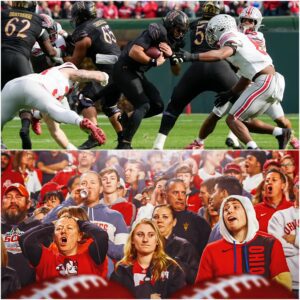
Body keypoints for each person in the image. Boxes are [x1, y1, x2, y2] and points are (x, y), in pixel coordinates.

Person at [179, 14, 292, 150]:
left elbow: (221, 54)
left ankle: (254, 149)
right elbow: (247, 76)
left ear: (221, 28)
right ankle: (280, 133)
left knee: (232, 119)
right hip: (267, 80)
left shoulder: (229, 36)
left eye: (212, 30)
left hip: (264, 81)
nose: (211, 34)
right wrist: (230, 93)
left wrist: (192, 56)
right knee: (242, 121)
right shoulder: (240, 37)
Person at [152, 1, 238, 150]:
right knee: (246, 100)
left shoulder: (193, 25)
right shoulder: (226, 23)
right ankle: (234, 136)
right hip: (220, 67)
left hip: (196, 67)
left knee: (174, 107)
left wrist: (173, 55)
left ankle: (158, 144)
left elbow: (178, 42)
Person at [224, 6, 299, 150]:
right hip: (248, 82)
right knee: (239, 117)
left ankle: (293, 138)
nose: (246, 23)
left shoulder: (257, 37)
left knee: (281, 120)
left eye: (250, 21)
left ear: (257, 23)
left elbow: (245, 43)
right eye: (244, 20)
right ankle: (243, 140)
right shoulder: (237, 35)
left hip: (260, 84)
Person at [113, 9, 189, 149]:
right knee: (143, 104)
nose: (180, 34)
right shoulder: (158, 31)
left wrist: (172, 56)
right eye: (179, 29)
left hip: (137, 72)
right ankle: (125, 143)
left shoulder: (175, 42)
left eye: (183, 31)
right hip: (125, 68)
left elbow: (176, 71)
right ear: (170, 25)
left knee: (158, 105)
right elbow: (134, 51)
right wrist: (154, 62)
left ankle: (126, 118)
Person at [196, 195, 292, 292]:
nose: (229, 211)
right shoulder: (211, 250)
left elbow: (283, 288)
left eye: (236, 207)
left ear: (248, 212)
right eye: (225, 209)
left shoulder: (270, 244)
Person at [1, 62, 108, 148]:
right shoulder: (67, 72)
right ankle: (80, 121)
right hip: (33, 87)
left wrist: (37, 117)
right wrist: (103, 76)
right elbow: (83, 74)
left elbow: (54, 127)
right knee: (57, 110)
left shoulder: (49, 78)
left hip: (12, 86)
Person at [1, 1, 61, 149]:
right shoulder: (37, 20)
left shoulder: (3, 15)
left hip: (2, 57)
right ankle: (25, 127)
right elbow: (50, 51)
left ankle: (0, 141)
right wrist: (58, 56)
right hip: (21, 60)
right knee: (26, 98)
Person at [64, 1, 123, 150]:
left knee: (85, 98)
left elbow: (74, 64)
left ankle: (94, 136)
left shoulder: (84, 33)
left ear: (81, 16)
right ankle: (124, 141)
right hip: (121, 69)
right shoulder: (100, 22)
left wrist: (59, 58)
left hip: (109, 72)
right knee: (110, 106)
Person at [19, 213, 108, 281]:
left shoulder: (92, 258)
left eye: (69, 228)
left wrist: (79, 222)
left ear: (79, 236)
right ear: (54, 237)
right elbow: (25, 239)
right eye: (59, 229)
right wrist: (52, 225)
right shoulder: (45, 259)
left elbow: (101, 235)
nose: (63, 231)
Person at [110, 219, 186, 298]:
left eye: (151, 235)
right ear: (132, 240)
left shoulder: (172, 268)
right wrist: (143, 294)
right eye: (140, 234)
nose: (145, 240)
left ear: (157, 240)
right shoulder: (121, 270)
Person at [80, 171, 129, 276]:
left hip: (105, 274)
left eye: (92, 182)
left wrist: (100, 242)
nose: (88, 186)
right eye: (83, 183)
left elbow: (124, 251)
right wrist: (70, 200)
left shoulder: (115, 216)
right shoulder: (71, 213)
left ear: (101, 189)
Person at [1, 183, 48, 287]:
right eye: (8, 197)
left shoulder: (39, 228)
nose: (13, 201)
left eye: (18, 197)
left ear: (28, 204)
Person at [165, 178, 211, 266]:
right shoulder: (157, 220)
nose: (180, 197)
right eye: (175, 193)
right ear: (165, 194)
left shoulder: (199, 222)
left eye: (183, 193)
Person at [152, 204, 198, 284]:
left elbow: (194, 278)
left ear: (174, 222)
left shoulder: (184, 246)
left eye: (165, 217)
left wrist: (177, 265)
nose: (159, 220)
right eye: (156, 217)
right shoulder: (144, 245)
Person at [268, 181, 299, 298]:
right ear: (295, 191)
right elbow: (277, 248)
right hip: (287, 284)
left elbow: (287, 247)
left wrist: (295, 240)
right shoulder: (280, 216)